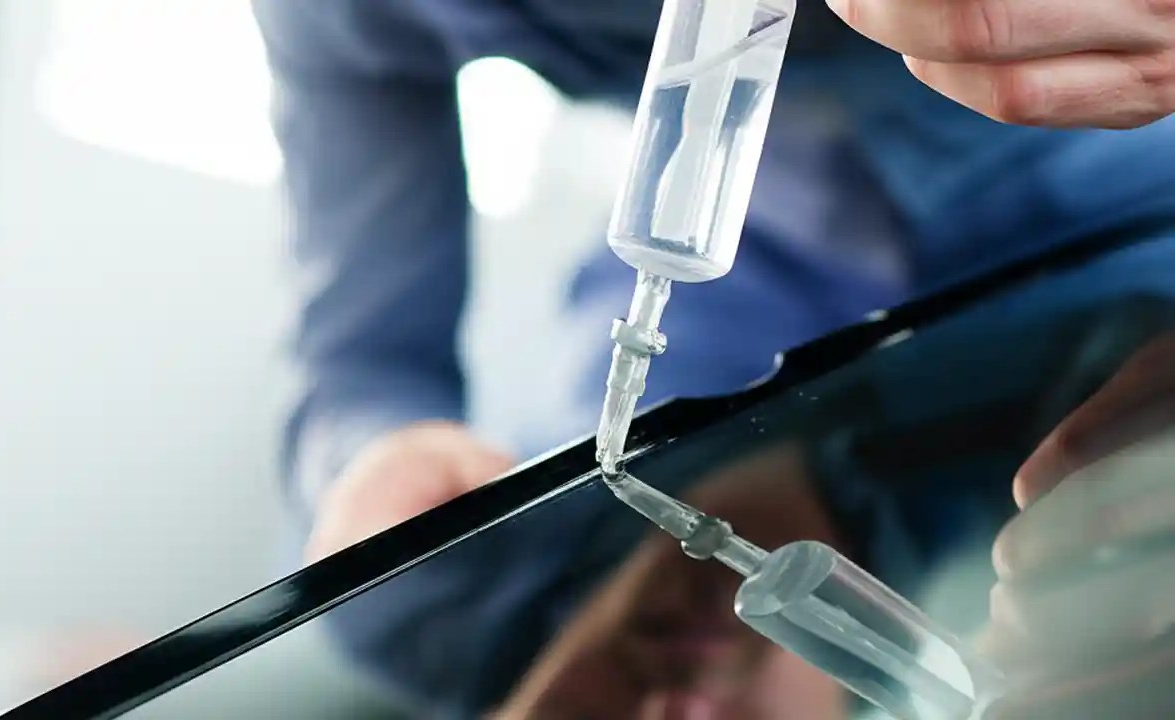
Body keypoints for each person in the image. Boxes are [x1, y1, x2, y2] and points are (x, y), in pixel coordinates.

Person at [249, 0, 1175, 716]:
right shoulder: (1060, 550)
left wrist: (374, 453)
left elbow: (358, 372)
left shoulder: (425, 599)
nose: (670, 708)